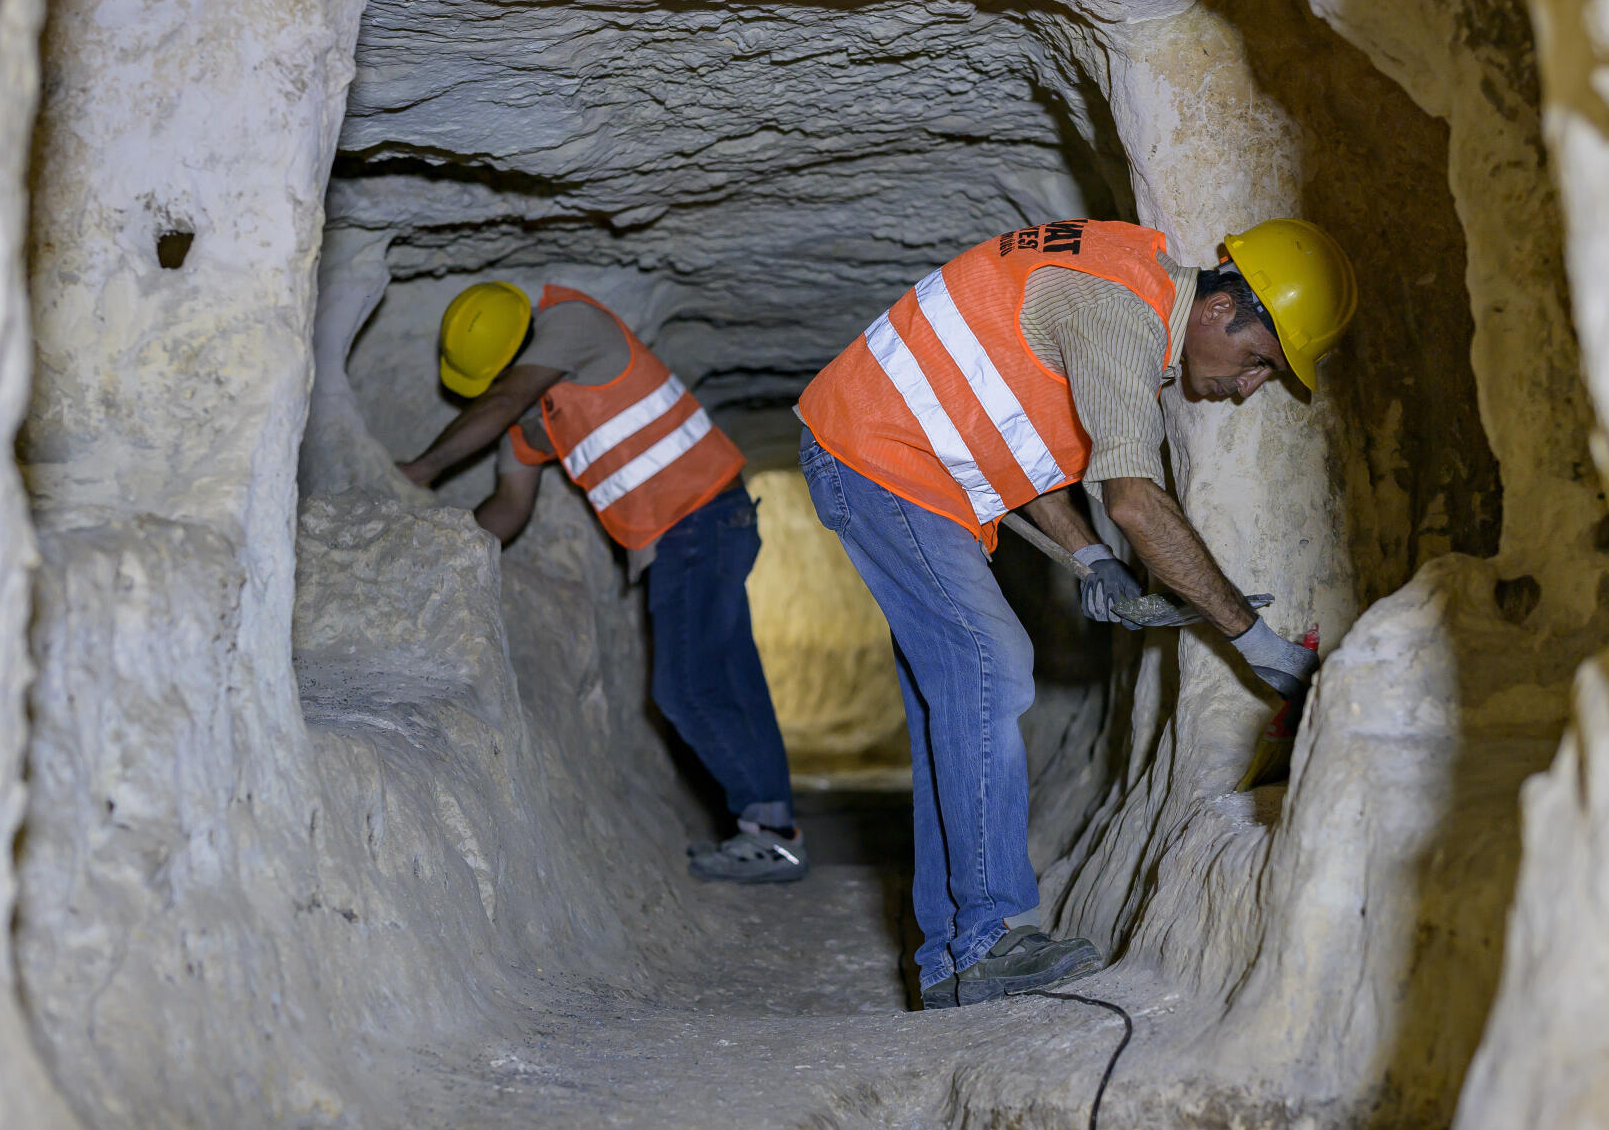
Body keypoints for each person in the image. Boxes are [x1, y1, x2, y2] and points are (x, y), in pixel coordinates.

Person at [795, 217, 1357, 1007]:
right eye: (1259, 361)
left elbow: (1011, 439)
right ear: (1222, 309)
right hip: (881, 455)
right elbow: (1134, 499)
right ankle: (990, 939)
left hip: (901, 460)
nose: (1248, 384)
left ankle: (951, 961)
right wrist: (1253, 639)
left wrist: (1089, 557)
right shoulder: (1123, 305)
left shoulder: (1125, 291)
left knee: (948, 698)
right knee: (991, 661)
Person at [398, 281, 806, 884]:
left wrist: (421, 471)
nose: (501, 388)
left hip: (699, 518)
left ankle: (771, 835)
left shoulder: (574, 322)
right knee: (731, 681)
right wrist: (442, 546)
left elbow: (506, 398)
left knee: (684, 690)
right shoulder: (528, 420)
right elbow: (511, 505)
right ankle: (775, 829)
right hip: (695, 530)